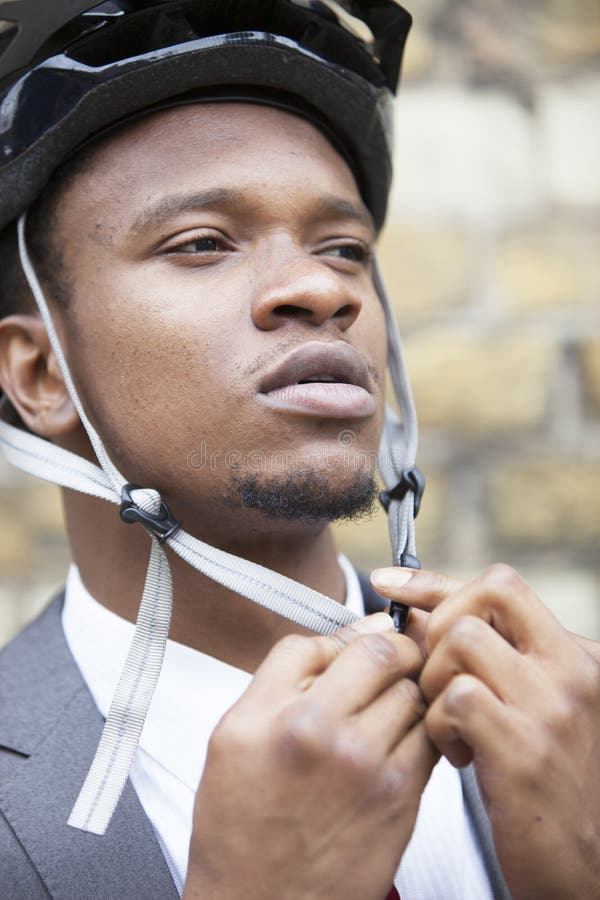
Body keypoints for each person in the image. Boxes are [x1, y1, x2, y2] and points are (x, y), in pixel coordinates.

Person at [0, 3, 598, 899]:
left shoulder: (571, 725)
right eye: (202, 243)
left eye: (345, 248)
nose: (321, 289)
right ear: (39, 375)